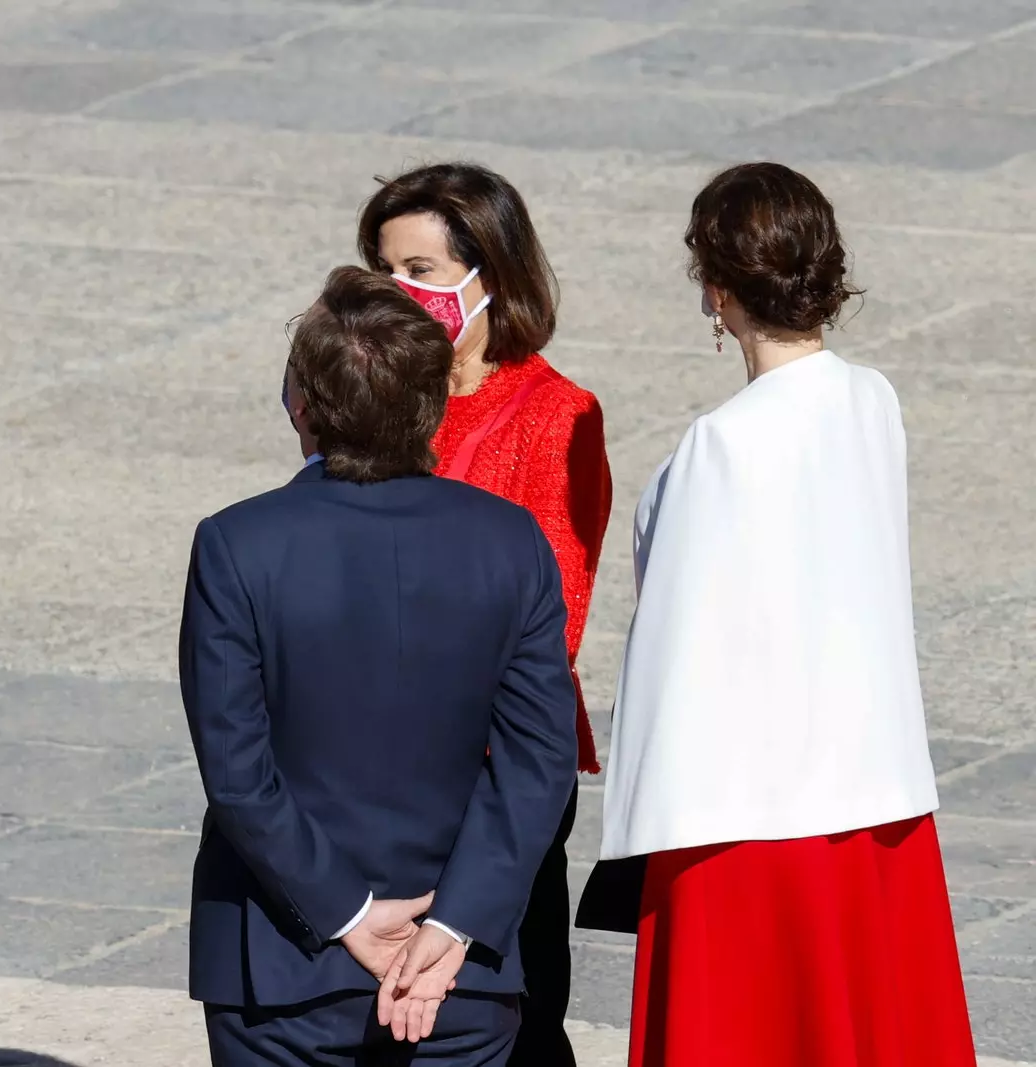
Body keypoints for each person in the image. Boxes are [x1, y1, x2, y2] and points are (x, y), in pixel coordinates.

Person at [598, 162, 976, 1067]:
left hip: (745, 824)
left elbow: (675, 646)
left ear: (716, 292)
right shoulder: (872, 398)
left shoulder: (721, 444)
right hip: (876, 804)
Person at [182, 265, 580, 1066]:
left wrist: (347, 914)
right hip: (458, 974)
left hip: (283, 965)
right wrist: (455, 921)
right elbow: (541, 763)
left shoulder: (238, 544)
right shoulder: (510, 543)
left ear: (302, 404)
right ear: (432, 406)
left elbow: (238, 772)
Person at [358, 161, 612, 1067]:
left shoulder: (554, 414)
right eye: (383, 270)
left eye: (420, 271)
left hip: (496, 770)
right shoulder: (377, 403)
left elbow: (554, 615)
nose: (398, 291)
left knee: (508, 1011)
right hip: (374, 769)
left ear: (488, 275)